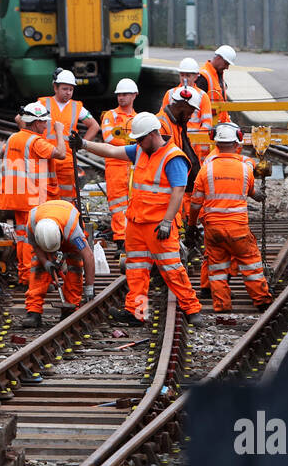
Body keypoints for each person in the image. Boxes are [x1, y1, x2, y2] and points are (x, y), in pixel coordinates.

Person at [74, 112, 204, 328]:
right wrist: (84, 144)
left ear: (153, 134)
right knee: (136, 271)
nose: (138, 143)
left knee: (172, 269)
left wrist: (166, 222)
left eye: (141, 139)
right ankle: (137, 311)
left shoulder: (173, 158)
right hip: (136, 224)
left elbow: (178, 192)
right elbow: (112, 150)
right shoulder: (142, 150)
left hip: (158, 226)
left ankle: (192, 309)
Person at [189, 122, 273, 313]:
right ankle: (262, 301)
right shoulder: (245, 169)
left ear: (216, 144)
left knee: (217, 270)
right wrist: (257, 195)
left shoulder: (206, 169)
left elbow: (195, 204)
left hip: (213, 230)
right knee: (251, 264)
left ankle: (222, 306)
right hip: (238, 229)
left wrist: (192, 225)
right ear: (238, 143)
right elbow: (250, 190)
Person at [0, 102, 67, 284]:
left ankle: (24, 276)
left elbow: (1, 154)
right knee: (34, 238)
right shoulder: (36, 142)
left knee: (22, 236)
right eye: (44, 122)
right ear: (36, 123)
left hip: (16, 195)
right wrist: (59, 131)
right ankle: (32, 278)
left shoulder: (13, 138)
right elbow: (61, 153)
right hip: (32, 198)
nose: (46, 125)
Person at [26, 69, 100, 203]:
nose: (68, 92)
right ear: (55, 87)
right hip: (46, 158)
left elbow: (94, 126)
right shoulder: (42, 103)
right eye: (65, 89)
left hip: (66, 160)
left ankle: (64, 219)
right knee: (44, 195)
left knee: (67, 197)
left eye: (71, 89)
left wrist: (80, 145)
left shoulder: (77, 107)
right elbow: (20, 118)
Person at [21, 199, 97, 328]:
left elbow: (88, 256)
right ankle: (33, 311)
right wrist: (46, 263)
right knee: (38, 267)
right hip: (46, 235)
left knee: (75, 267)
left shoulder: (73, 232)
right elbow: (35, 246)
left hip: (67, 230)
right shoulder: (32, 224)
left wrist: (89, 287)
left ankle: (70, 308)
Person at [99, 78, 139, 243]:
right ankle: (121, 238)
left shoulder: (138, 118)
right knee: (117, 204)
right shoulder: (111, 115)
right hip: (115, 167)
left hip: (133, 166)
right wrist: (131, 144)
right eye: (119, 94)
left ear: (134, 95)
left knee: (134, 201)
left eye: (125, 94)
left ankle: (133, 236)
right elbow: (108, 137)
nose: (121, 97)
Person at [157, 86, 204, 224]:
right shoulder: (162, 124)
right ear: (183, 105)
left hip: (172, 188)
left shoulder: (177, 124)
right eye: (191, 110)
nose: (191, 115)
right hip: (165, 191)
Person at [198, 44, 236, 131]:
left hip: (220, 125)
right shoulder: (203, 76)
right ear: (218, 58)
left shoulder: (217, 75)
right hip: (209, 127)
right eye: (226, 64)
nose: (227, 67)